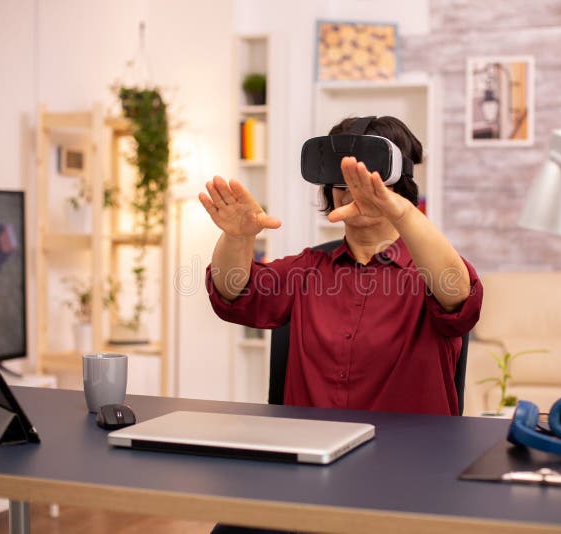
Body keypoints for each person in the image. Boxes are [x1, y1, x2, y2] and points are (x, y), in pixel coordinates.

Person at [199, 115, 483, 417]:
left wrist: (402, 211)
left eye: (369, 174)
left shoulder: (432, 270)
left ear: (400, 181)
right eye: (342, 173)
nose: (353, 186)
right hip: (312, 454)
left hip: (408, 456)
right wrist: (237, 238)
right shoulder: (306, 270)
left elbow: (460, 298)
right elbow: (232, 293)